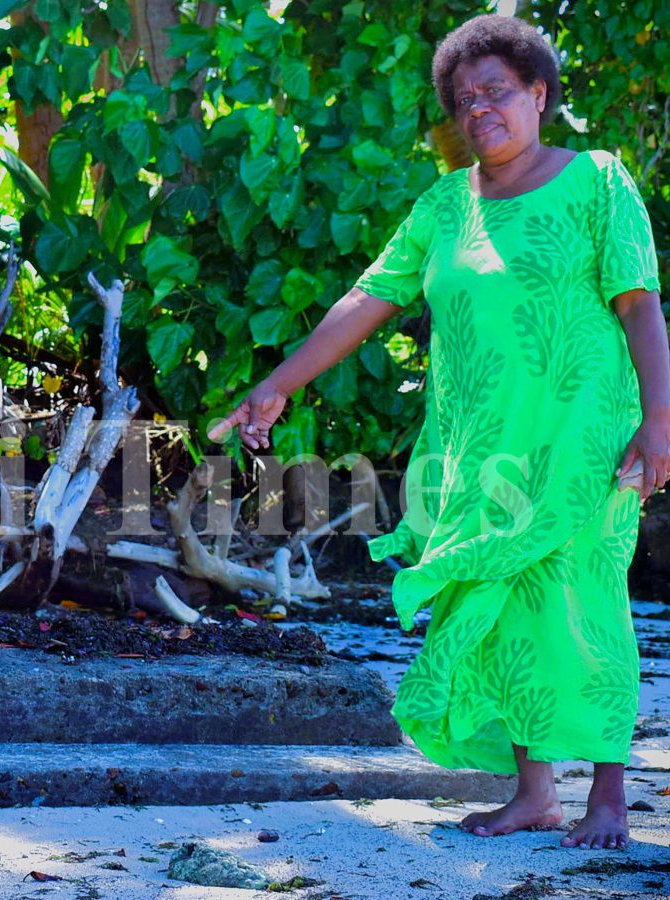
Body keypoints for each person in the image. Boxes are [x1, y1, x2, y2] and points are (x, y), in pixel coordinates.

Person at [208, 14, 670, 850]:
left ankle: (608, 793)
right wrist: (277, 385)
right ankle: (535, 795)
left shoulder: (598, 181)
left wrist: (660, 422)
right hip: (479, 451)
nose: (480, 109)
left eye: (495, 90)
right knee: (495, 604)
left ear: (538, 92)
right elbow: (365, 300)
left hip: (584, 438)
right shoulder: (443, 205)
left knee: (585, 602)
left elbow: (639, 304)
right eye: (465, 100)